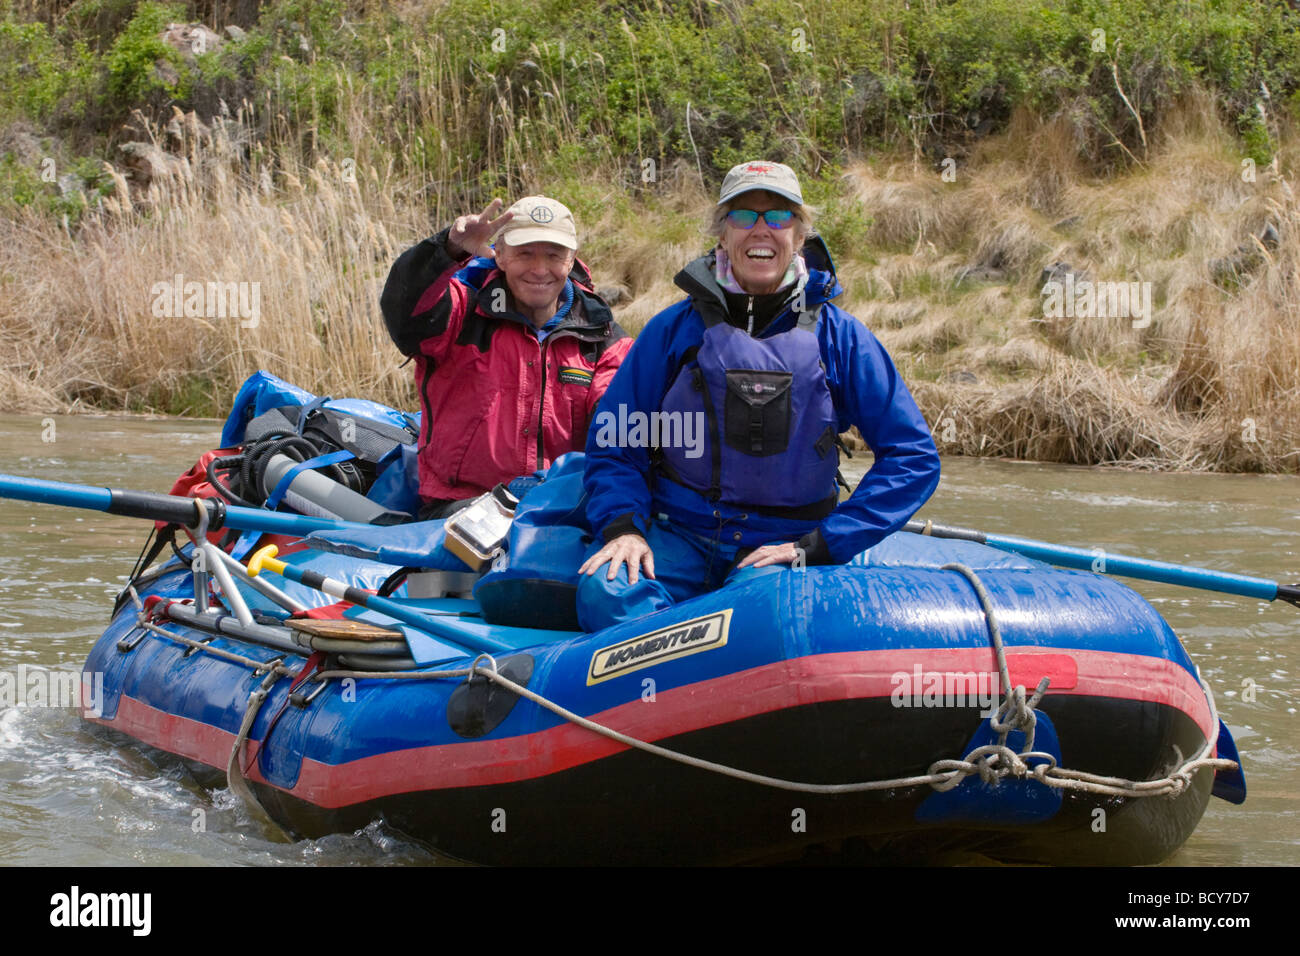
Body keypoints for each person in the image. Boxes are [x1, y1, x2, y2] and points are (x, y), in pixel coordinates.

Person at [577, 160, 940, 630]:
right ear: (722, 233)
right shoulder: (673, 330)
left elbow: (913, 457)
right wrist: (624, 528)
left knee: (766, 620)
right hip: (678, 534)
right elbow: (615, 442)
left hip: (785, 544)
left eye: (778, 216)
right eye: (743, 216)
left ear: (799, 234)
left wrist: (823, 544)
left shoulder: (842, 337)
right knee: (605, 592)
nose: (760, 229)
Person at [381, 196, 632, 519]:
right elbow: (405, 308)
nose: (540, 269)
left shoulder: (603, 335)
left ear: (571, 261)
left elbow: (619, 418)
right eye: (524, 253)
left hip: (562, 511)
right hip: (460, 507)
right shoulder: (461, 312)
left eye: (554, 255)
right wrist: (447, 250)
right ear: (499, 255)